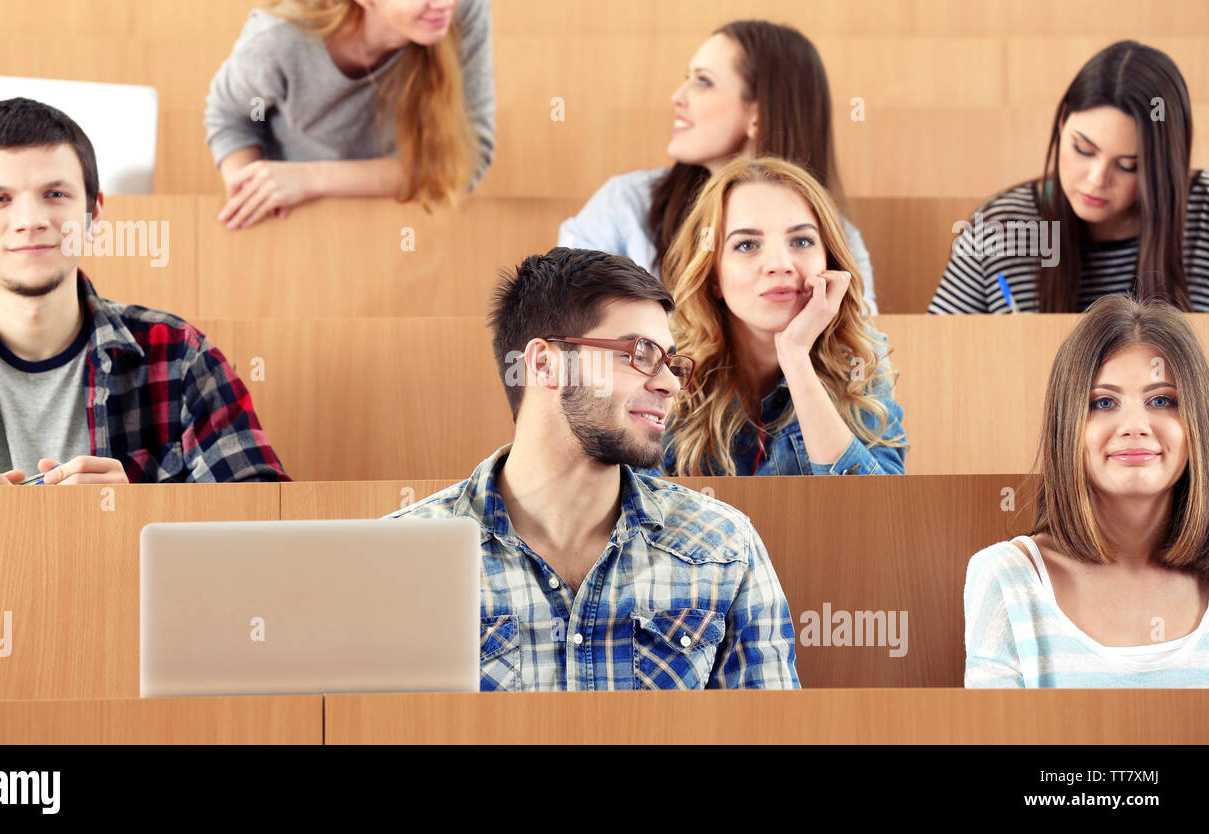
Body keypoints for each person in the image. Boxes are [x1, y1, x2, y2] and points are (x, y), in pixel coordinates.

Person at [388, 247, 800, 690]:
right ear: (546, 364)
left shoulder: (724, 546)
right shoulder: (401, 558)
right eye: (639, 352)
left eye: (671, 360)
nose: (670, 383)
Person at [0, 98, 287, 486]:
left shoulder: (180, 356)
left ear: (94, 215)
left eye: (56, 194)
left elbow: (260, 526)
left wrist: (133, 516)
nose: (31, 221)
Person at [965, 295, 1209, 687]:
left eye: (1161, 400)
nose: (1134, 425)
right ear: (1067, 426)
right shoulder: (1007, 577)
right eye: (1104, 402)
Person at [559, 20, 878, 314]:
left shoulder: (838, 240)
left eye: (703, 81)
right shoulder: (625, 205)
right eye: (745, 244)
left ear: (759, 113)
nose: (678, 97)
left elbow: (862, 350)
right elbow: (561, 319)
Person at [655, 156, 906, 477]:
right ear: (713, 276)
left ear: (828, 260)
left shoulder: (860, 356)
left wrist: (795, 356)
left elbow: (875, 509)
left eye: (801, 241)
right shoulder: (666, 360)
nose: (779, 264)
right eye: (746, 245)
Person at [931, 41, 1209, 314]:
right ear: (1063, 121)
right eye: (1083, 149)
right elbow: (938, 351)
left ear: (1164, 167)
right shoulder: (1002, 226)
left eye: (1128, 165)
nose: (1098, 179)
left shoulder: (1203, 213)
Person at [205, 0, 496, 229]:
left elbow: (465, 161)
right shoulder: (280, 37)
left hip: (401, 217)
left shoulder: (461, 10)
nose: (445, 3)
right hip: (294, 221)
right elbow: (235, 117)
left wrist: (311, 179)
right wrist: (253, 192)